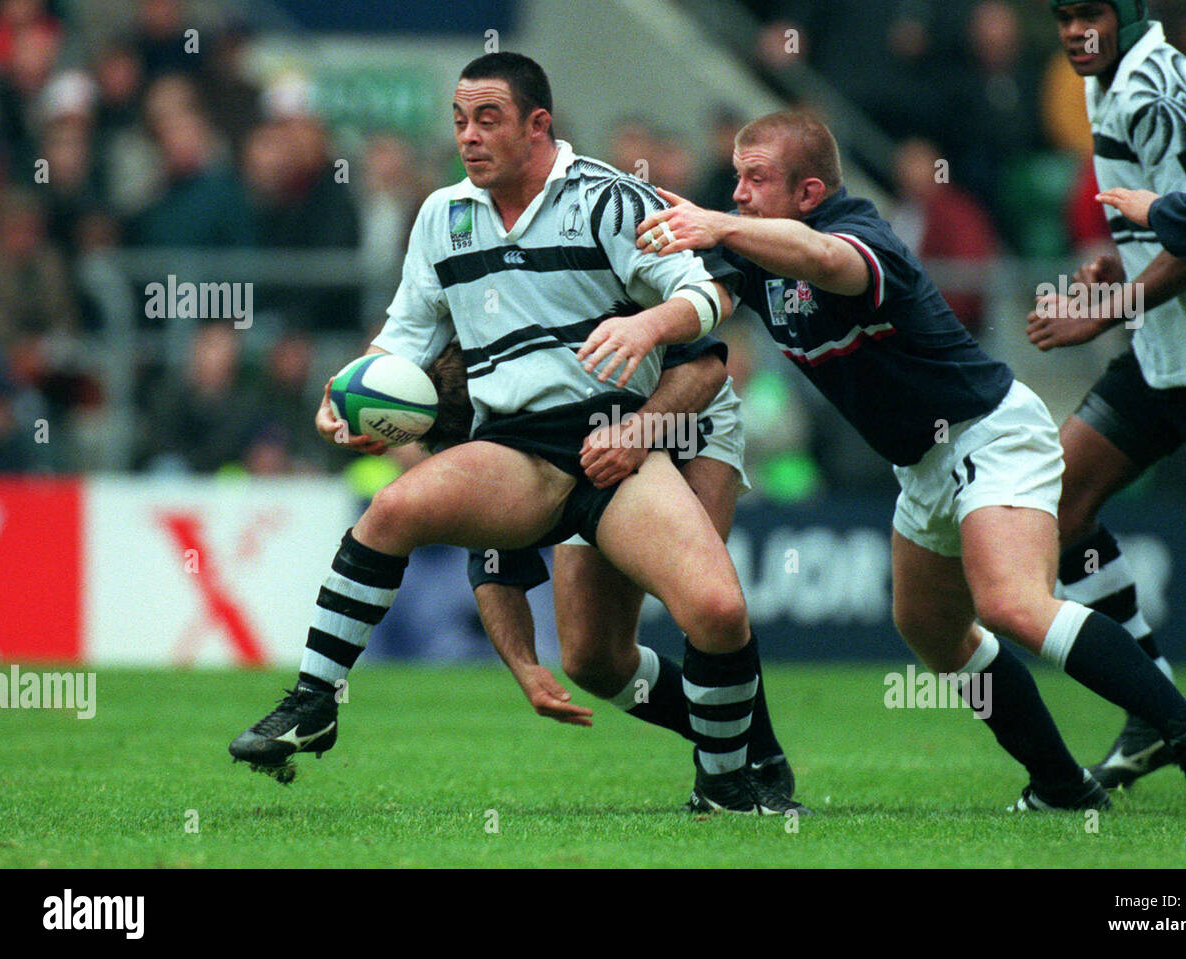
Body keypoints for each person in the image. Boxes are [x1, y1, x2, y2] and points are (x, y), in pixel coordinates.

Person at [579, 110, 1186, 814]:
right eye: (739, 179)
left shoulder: (861, 234)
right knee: (931, 629)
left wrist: (721, 224)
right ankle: (1062, 785)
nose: (740, 193)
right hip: (925, 465)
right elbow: (705, 300)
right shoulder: (757, 253)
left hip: (989, 433)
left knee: (1010, 602)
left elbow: (824, 261)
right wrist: (644, 323)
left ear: (809, 192)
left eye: (757, 180)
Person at [228, 53, 802, 815]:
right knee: (394, 512)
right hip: (518, 446)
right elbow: (400, 340)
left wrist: (645, 335)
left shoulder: (607, 198)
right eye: (460, 120)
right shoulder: (442, 216)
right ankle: (313, 702)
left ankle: (728, 781)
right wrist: (344, 395)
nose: (468, 136)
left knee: (715, 613)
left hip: (630, 430)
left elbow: (704, 302)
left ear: (539, 125)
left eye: (487, 118)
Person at [1024, 1, 1186, 791]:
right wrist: (1122, 264)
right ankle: (1155, 708)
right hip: (1165, 346)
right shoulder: (1100, 76)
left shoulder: (1152, 85)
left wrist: (1107, 310)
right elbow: (1158, 219)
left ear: (1128, 12)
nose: (1076, 32)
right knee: (1057, 500)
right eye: (1064, 16)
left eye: (1091, 15)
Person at [421, 340, 798, 805]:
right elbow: (494, 560)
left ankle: (734, 772)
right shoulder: (499, 430)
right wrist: (525, 666)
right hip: (584, 447)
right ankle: (750, 744)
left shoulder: (545, 376)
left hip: (683, 416)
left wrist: (640, 433)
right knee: (591, 659)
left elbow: (706, 367)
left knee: (703, 600)